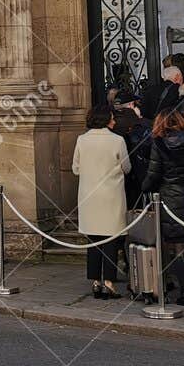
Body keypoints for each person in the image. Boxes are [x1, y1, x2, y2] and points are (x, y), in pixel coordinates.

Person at [140, 105, 184, 306]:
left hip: (170, 197)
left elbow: (153, 174)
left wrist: (144, 188)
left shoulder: (159, 143)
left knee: (178, 246)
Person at [72, 104, 129, 300]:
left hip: (89, 195)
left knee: (94, 240)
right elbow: (126, 166)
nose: (114, 120)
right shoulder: (118, 140)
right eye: (112, 117)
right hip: (111, 195)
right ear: (105, 119)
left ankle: (95, 280)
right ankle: (109, 282)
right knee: (111, 240)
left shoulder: (82, 139)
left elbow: (75, 168)